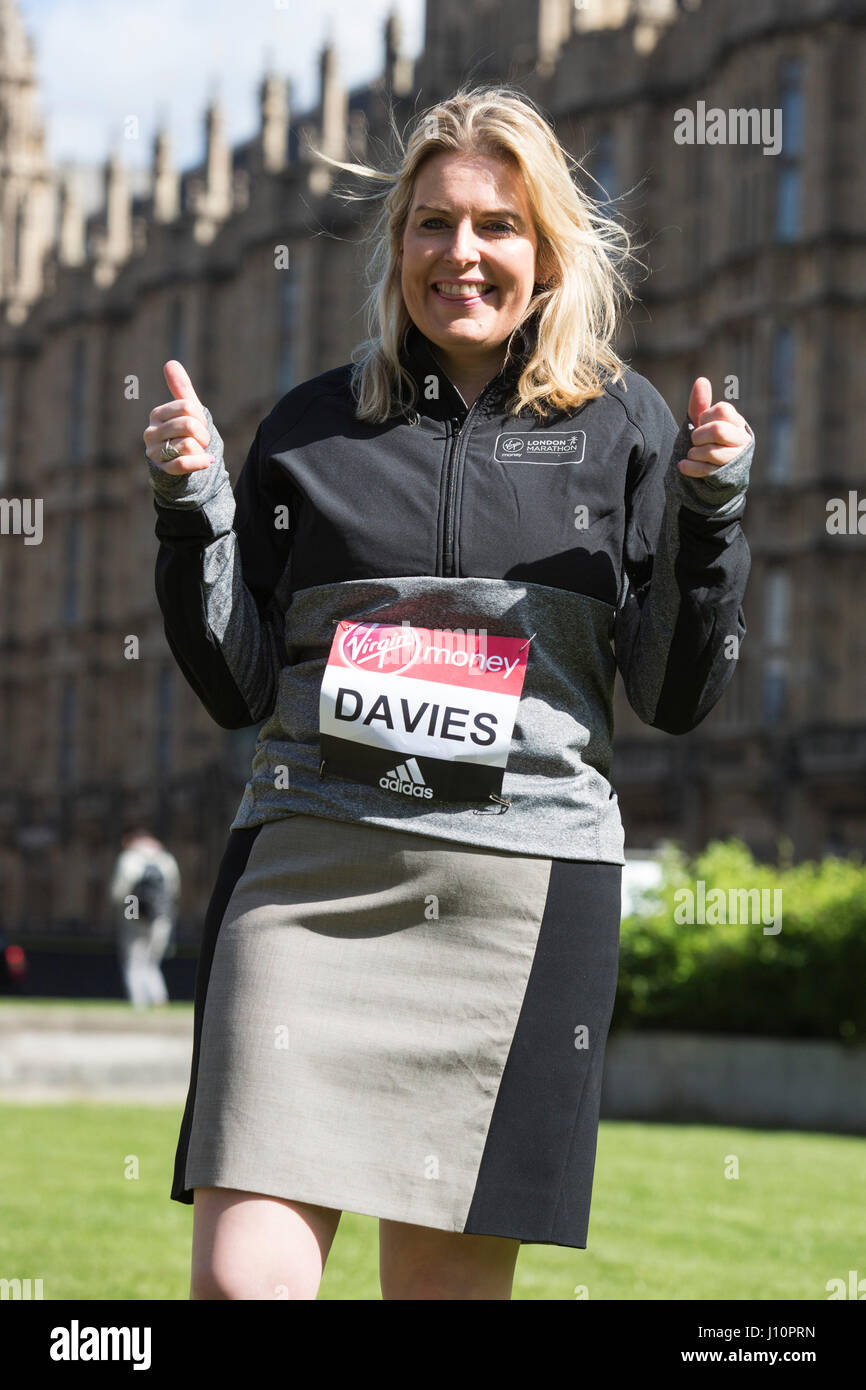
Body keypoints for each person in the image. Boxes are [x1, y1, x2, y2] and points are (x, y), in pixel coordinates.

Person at [143, 84, 755, 1300]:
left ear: (547, 250)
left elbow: (673, 694)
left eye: (496, 225)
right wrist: (194, 512)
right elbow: (236, 681)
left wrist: (709, 517)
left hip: (516, 902)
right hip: (308, 879)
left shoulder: (624, 424)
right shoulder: (311, 427)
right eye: (431, 223)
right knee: (234, 1284)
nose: (460, 254)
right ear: (396, 244)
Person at [108, 827, 180, 1008]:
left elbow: (120, 891)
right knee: (152, 960)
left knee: (133, 959)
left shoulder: (128, 858)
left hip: (132, 910)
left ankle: (139, 1002)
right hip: (161, 914)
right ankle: (158, 999)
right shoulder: (166, 858)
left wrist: (121, 911)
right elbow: (174, 889)